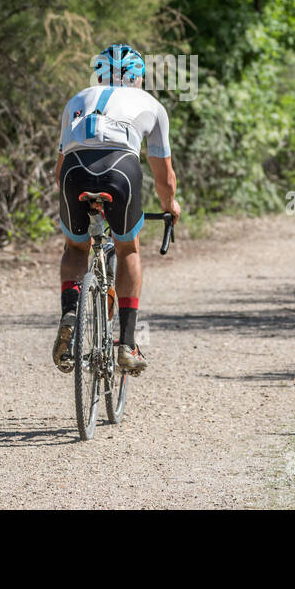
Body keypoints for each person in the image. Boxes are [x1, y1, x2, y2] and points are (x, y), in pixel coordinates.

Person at [52, 42, 180, 375]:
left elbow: (59, 169)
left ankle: (70, 312)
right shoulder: (151, 105)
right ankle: (126, 343)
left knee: (75, 248)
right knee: (128, 251)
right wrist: (170, 206)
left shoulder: (78, 99)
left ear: (98, 74)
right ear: (138, 78)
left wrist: (77, 209)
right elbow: (163, 176)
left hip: (74, 172)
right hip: (121, 170)